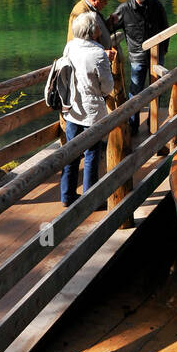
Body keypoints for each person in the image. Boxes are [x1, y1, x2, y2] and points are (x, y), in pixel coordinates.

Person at [59, 11, 114, 208]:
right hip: (92, 111)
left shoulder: (70, 47)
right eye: (97, 26)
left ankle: (67, 195)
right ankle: (91, 199)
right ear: (92, 31)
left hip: (72, 107)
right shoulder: (98, 53)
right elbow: (107, 87)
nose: (100, 28)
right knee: (92, 153)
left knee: (71, 152)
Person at [108, 0, 169, 136]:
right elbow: (109, 27)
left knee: (157, 90)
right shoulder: (124, 9)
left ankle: (152, 124)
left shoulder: (156, 5)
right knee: (135, 92)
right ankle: (133, 127)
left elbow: (165, 27)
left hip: (157, 55)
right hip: (137, 57)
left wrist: (164, 49)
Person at [67, 0, 125, 108]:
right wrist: (102, 53)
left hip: (92, 65)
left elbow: (97, 32)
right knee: (88, 104)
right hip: (86, 67)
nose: (106, 4)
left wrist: (109, 23)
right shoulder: (81, 13)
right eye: (104, 1)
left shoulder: (91, 8)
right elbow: (79, 43)